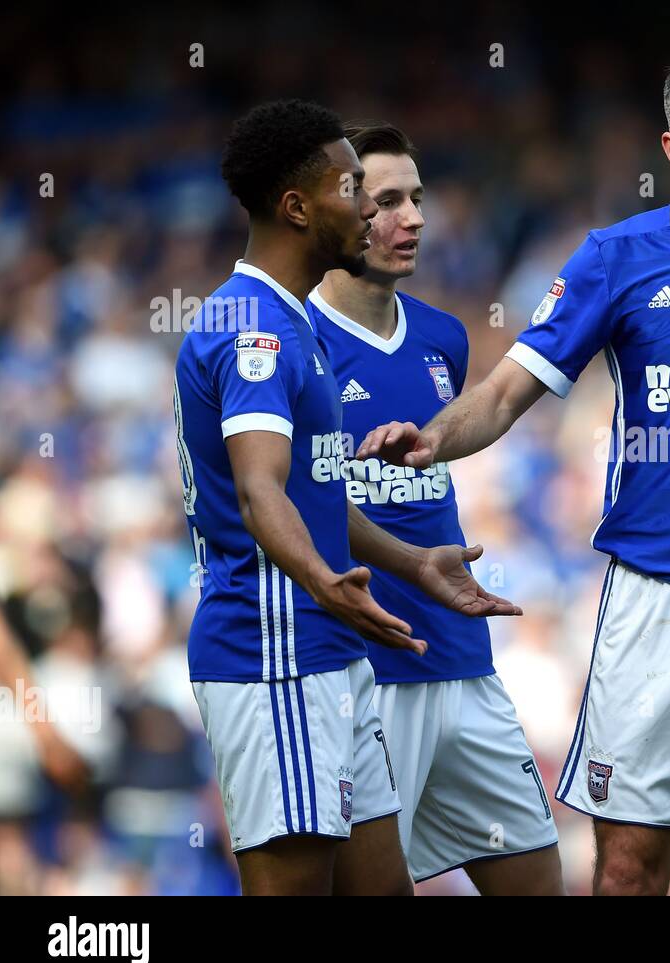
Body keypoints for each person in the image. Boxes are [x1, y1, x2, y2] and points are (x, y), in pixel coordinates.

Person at [357, 42, 670, 896]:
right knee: (630, 864)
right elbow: (504, 394)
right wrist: (433, 437)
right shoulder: (615, 257)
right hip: (654, 598)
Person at [174, 100, 519, 895]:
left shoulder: (293, 322)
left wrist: (410, 561)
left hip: (333, 661)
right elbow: (262, 495)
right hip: (275, 662)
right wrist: (326, 584)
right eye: (353, 188)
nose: (370, 207)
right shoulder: (253, 330)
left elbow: (314, 492)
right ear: (297, 206)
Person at [308, 121, 562, 894]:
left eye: (417, 199)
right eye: (386, 201)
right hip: (365, 676)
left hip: (464, 663)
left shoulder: (445, 339)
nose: (412, 218)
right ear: (331, 211)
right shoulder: (294, 342)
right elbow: (286, 503)